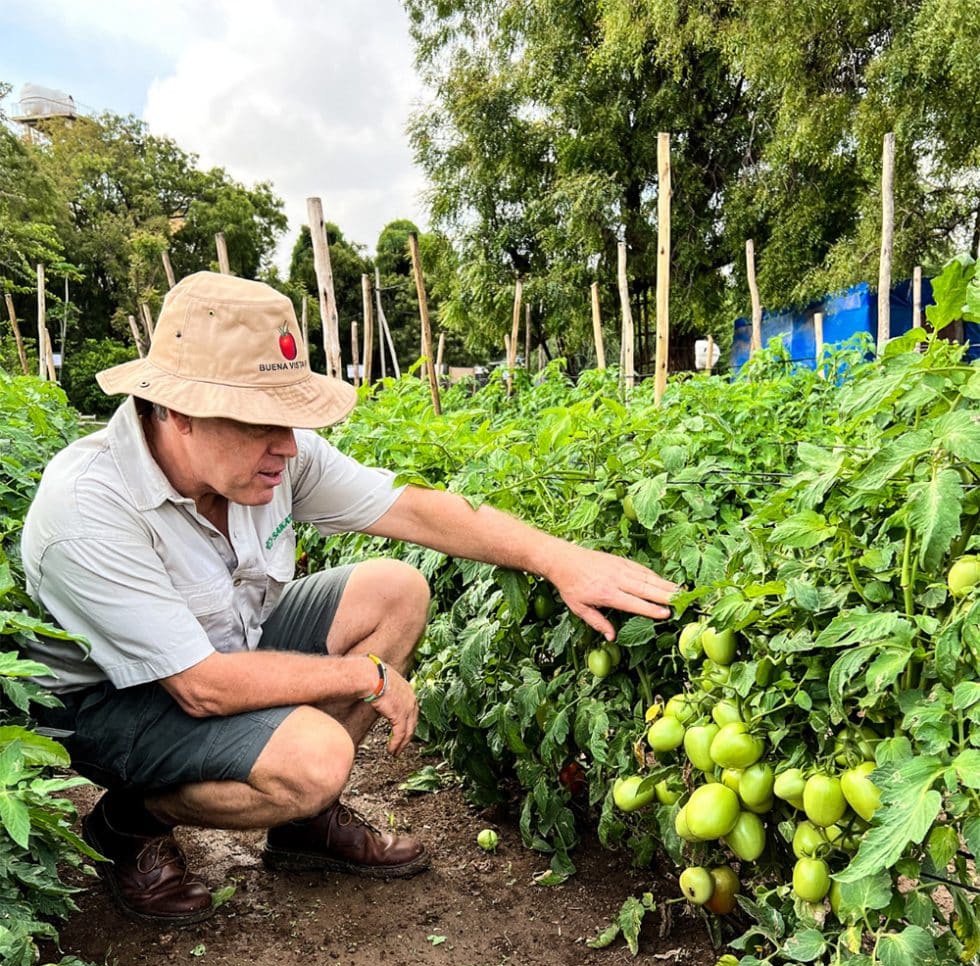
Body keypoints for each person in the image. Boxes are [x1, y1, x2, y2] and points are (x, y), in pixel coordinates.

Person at [21, 272, 678, 926]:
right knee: (317, 758)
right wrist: (363, 675)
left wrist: (558, 558)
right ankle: (130, 821)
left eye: (291, 421)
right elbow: (202, 688)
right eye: (261, 423)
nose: (287, 445)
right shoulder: (89, 507)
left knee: (396, 590)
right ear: (179, 412)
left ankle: (303, 825)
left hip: (226, 641)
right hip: (115, 700)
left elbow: (414, 510)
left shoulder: (273, 455)